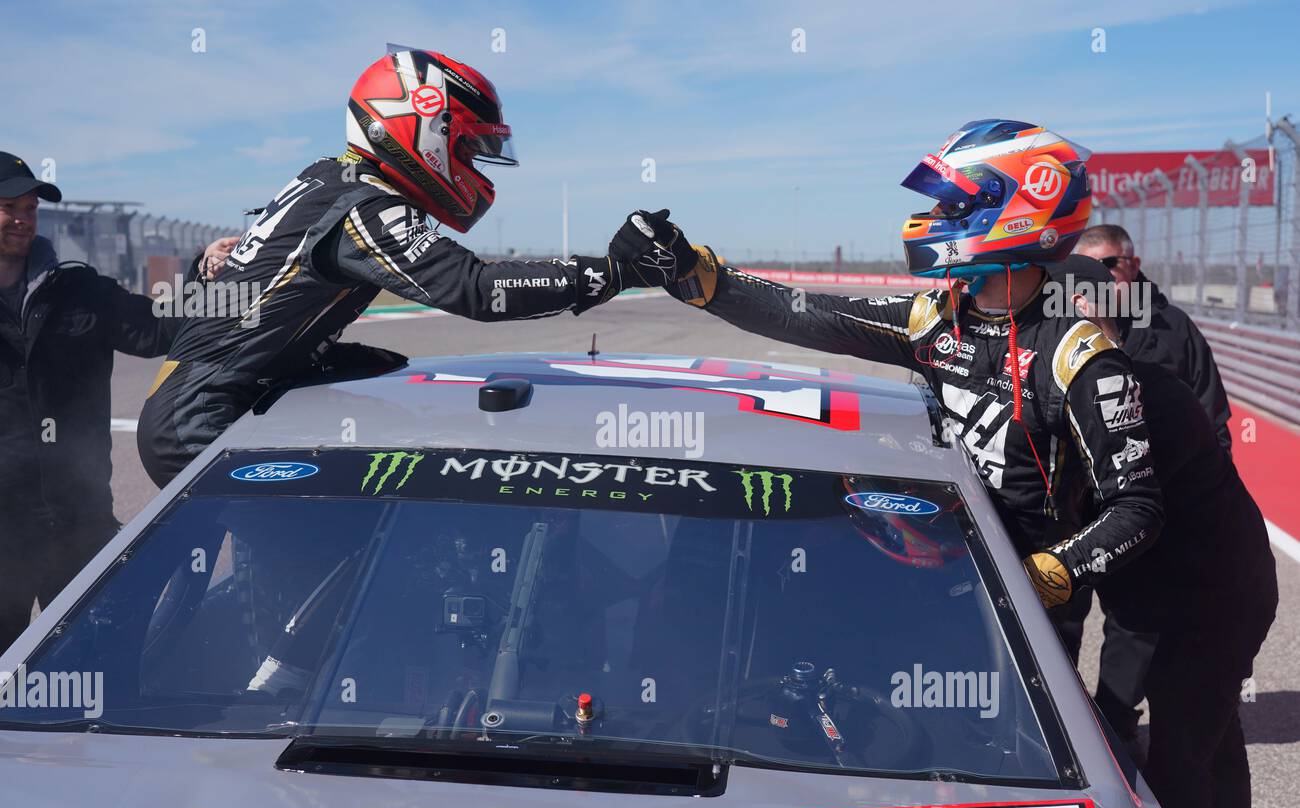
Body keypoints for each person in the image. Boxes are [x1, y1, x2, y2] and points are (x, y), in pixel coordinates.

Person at [619, 119, 1165, 617]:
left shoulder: (1083, 358)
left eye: (954, 207)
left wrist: (1044, 577)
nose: (934, 219)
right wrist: (691, 272)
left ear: (1018, 211)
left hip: (1022, 609)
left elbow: (1138, 508)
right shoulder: (935, 317)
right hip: (938, 575)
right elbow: (804, 316)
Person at [137, 45, 686, 488]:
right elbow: (475, 289)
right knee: (316, 578)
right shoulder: (365, 206)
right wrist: (612, 272)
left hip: (201, 403)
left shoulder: (331, 178)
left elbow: (261, 300)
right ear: (425, 130)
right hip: (203, 418)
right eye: (467, 149)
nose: (471, 165)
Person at [1052, 253, 1276, 808]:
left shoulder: (1144, 396)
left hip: (1213, 598)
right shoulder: (1113, 384)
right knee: (1212, 733)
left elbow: (1122, 525)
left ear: (1080, 316)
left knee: (1178, 758)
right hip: (1182, 591)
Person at [0, 152, 229, 651]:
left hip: (78, 521)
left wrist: (206, 275)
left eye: (30, 208)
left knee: (90, 665)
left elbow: (158, 329)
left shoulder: (79, 290)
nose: (22, 219)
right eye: (9, 206)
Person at [1075, 223, 1231, 451]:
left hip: (1170, 478)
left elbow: (1212, 418)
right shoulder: (1064, 329)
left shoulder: (1174, 328)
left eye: (1108, 264)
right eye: (1087, 266)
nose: (1098, 275)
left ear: (1133, 265)